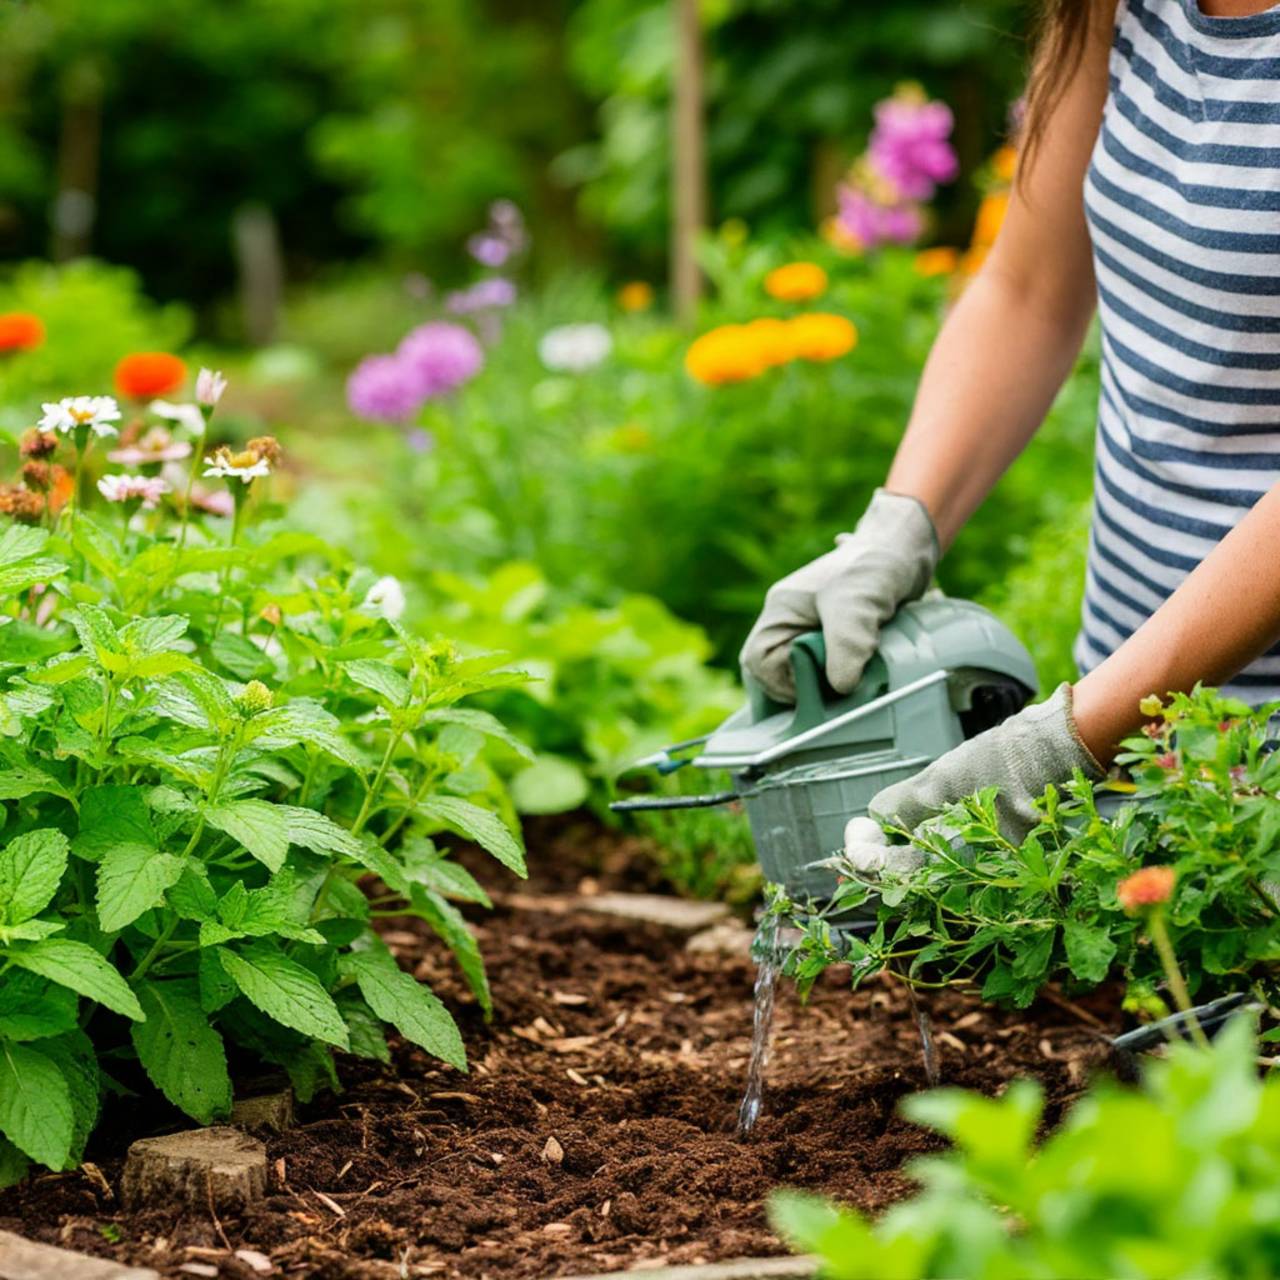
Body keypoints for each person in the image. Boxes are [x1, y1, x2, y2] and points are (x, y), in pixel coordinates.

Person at [742, 0, 1280, 869]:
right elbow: (1029, 287)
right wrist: (898, 530)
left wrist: (1065, 743)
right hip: (1137, 756)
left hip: (1238, 792)